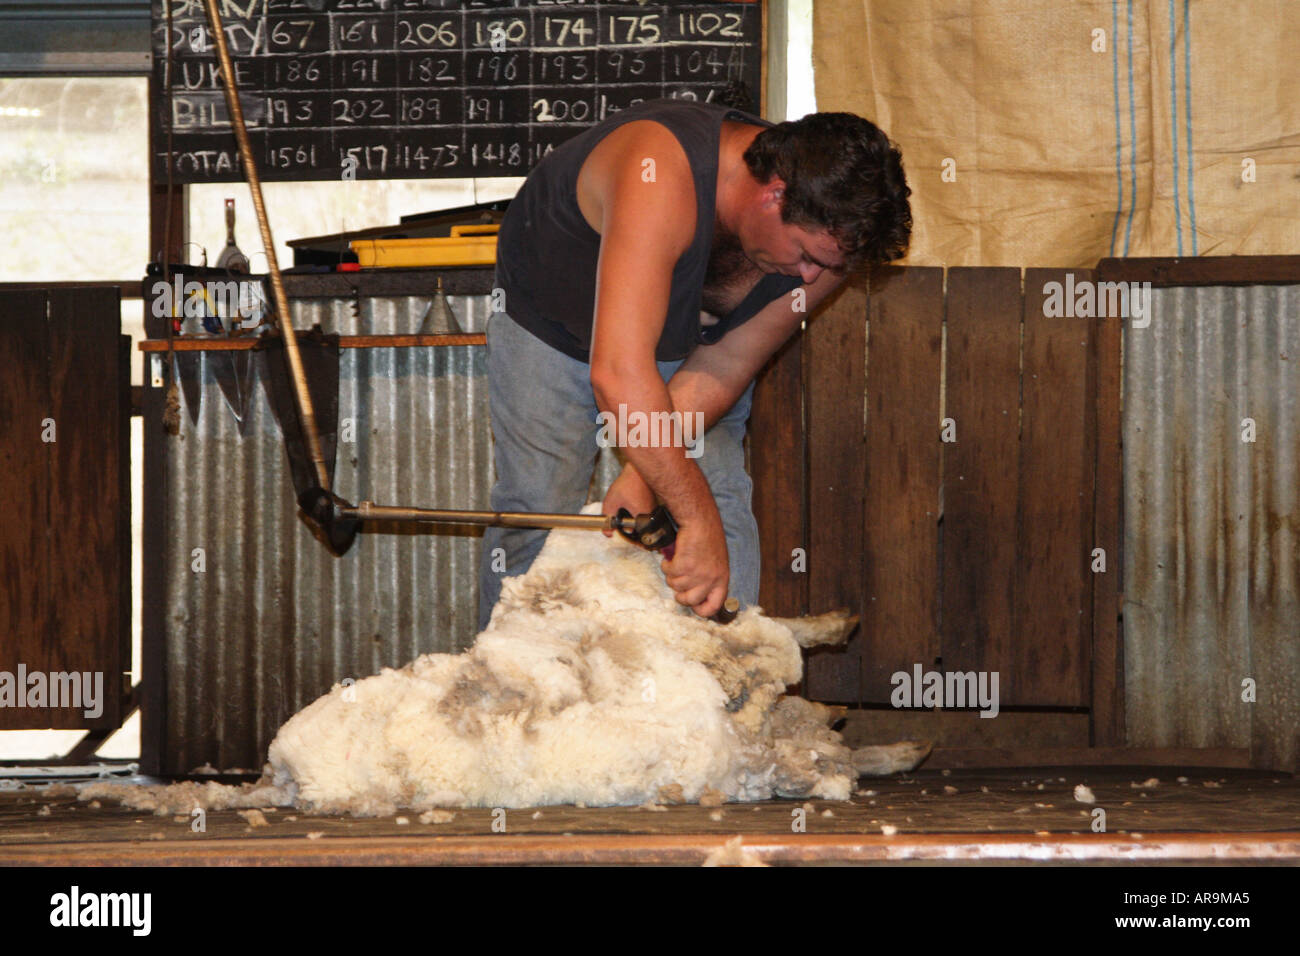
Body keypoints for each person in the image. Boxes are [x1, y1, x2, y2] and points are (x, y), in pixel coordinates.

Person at [477, 97, 911, 630]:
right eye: (805, 255)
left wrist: (648, 473)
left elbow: (727, 360)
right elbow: (618, 373)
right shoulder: (657, 169)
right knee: (539, 502)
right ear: (774, 194)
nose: (808, 277)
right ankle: (507, 694)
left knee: (715, 493)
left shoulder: (828, 239)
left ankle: (723, 700)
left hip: (687, 339)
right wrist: (691, 512)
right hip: (553, 319)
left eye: (827, 265)